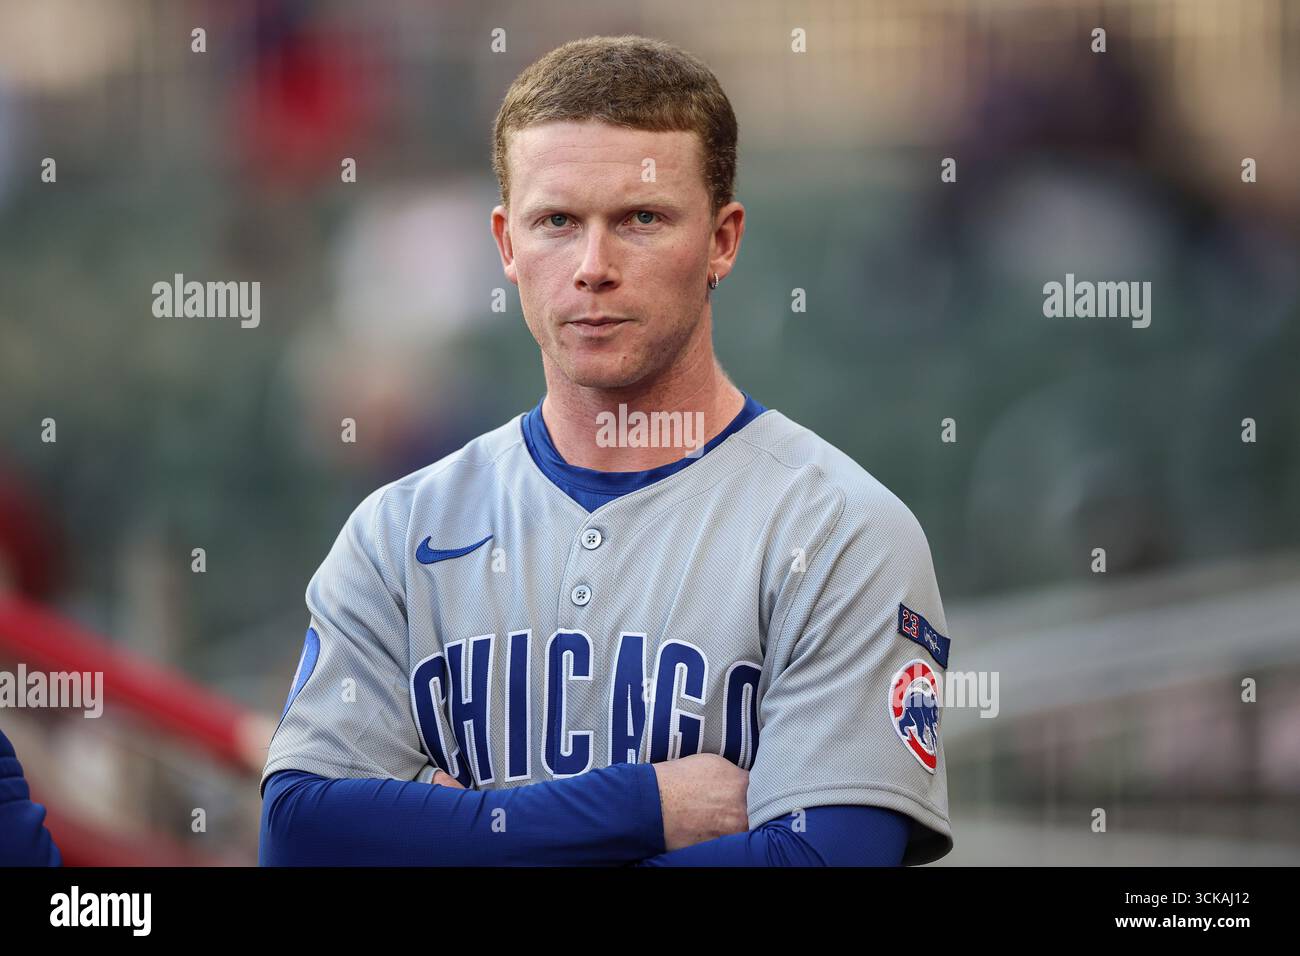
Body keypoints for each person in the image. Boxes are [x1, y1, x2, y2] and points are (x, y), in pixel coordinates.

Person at [260, 34, 952, 866]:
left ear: (723, 241)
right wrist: (645, 807)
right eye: (556, 221)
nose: (594, 266)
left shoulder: (842, 531)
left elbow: (822, 859)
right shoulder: (397, 531)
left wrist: (457, 838)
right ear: (506, 245)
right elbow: (300, 835)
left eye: (642, 219)